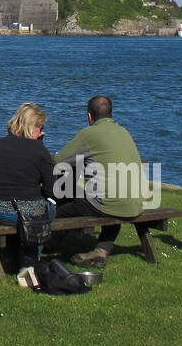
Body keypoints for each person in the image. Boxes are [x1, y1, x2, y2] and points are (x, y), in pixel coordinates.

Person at [51, 95, 144, 267]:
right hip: (136, 203)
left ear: (89, 116)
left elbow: (59, 162)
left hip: (111, 203)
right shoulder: (124, 132)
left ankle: (48, 246)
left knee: (63, 209)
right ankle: (101, 249)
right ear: (111, 114)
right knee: (111, 200)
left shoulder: (90, 134)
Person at [0, 102, 56, 285]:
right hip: (28, 213)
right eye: (41, 128)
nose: (42, 132)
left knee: (23, 217)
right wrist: (40, 146)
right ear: (34, 128)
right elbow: (50, 189)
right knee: (47, 210)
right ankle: (29, 262)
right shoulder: (39, 150)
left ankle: (10, 256)